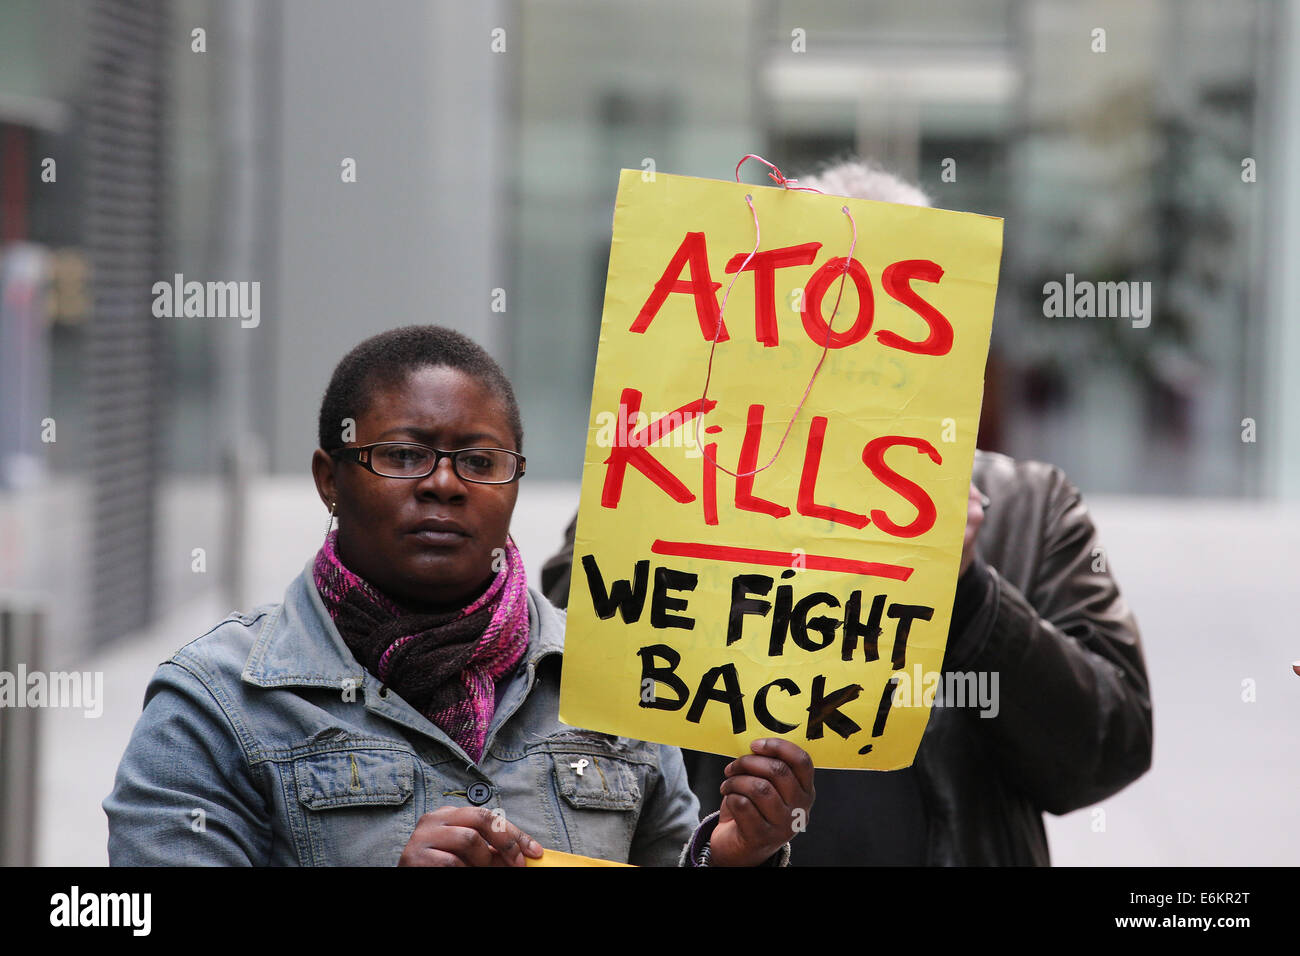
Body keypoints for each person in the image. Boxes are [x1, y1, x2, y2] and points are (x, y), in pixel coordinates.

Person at [541, 158, 1153, 865]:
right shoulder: (669, 474)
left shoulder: (1029, 507)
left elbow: (1110, 748)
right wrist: (665, 512)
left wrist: (973, 594)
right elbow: (560, 690)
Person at [104, 325, 814, 866]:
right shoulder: (217, 701)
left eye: (481, 461)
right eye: (405, 455)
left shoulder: (609, 679)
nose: (445, 483)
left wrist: (729, 858)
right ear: (329, 478)